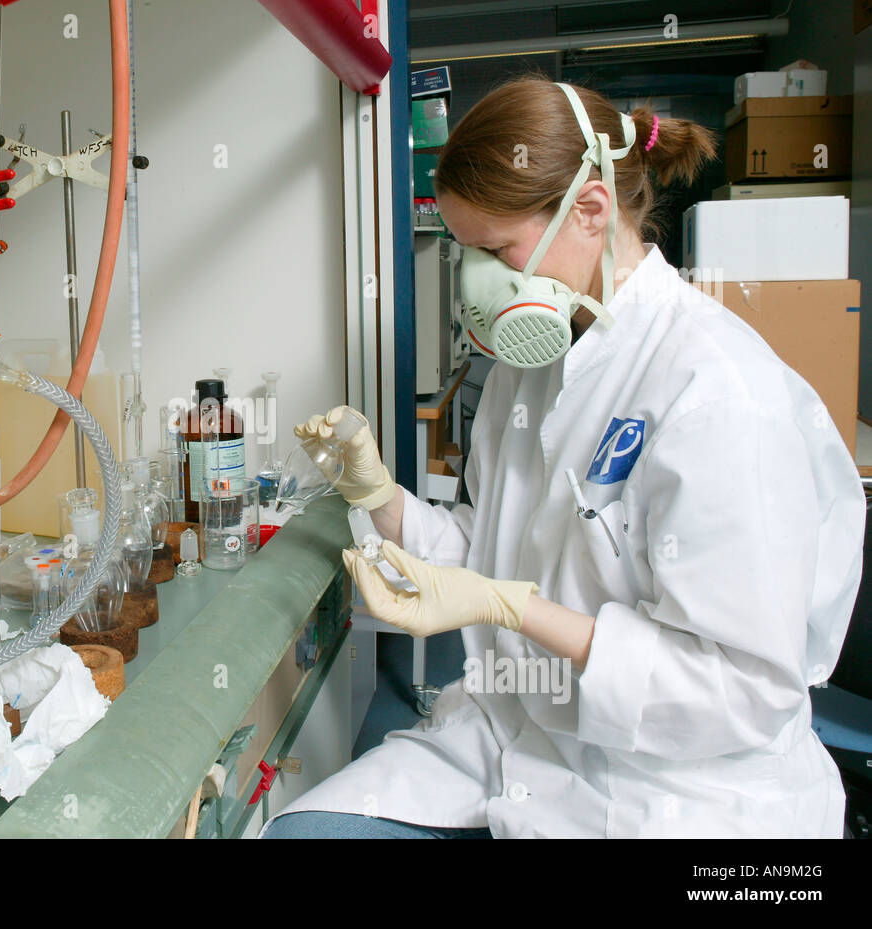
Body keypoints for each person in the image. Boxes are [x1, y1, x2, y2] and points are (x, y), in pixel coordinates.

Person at [263, 77, 865, 839]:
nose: (478, 285)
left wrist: (518, 609)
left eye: (496, 250)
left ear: (590, 211)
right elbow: (488, 552)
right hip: (516, 733)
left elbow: (739, 690)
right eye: (465, 251)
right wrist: (375, 491)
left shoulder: (716, 389)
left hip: (676, 792)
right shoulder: (528, 368)